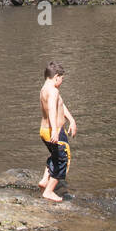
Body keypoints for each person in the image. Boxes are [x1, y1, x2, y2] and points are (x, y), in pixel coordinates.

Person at [38, 61, 76, 203]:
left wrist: (71, 120)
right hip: (55, 131)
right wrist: (55, 129)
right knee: (63, 159)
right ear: (56, 77)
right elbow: (52, 110)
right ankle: (48, 191)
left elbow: (59, 103)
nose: (62, 82)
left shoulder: (45, 89)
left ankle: (44, 180)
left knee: (55, 155)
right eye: (62, 79)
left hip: (44, 130)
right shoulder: (53, 91)